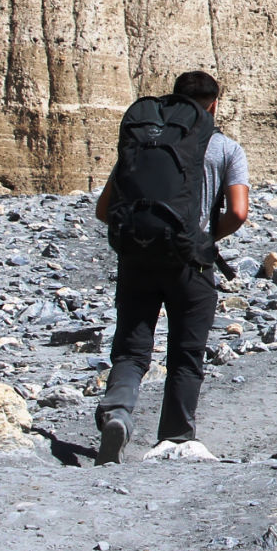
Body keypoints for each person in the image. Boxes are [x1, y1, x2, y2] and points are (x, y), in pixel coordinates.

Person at [92, 70, 250, 463]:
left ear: (173, 100)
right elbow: (238, 212)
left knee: (131, 349)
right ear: (214, 105)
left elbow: (103, 210)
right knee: (186, 353)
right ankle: (175, 437)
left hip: (137, 258)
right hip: (191, 264)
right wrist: (203, 238)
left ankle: (118, 413)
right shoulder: (226, 149)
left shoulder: (143, 142)